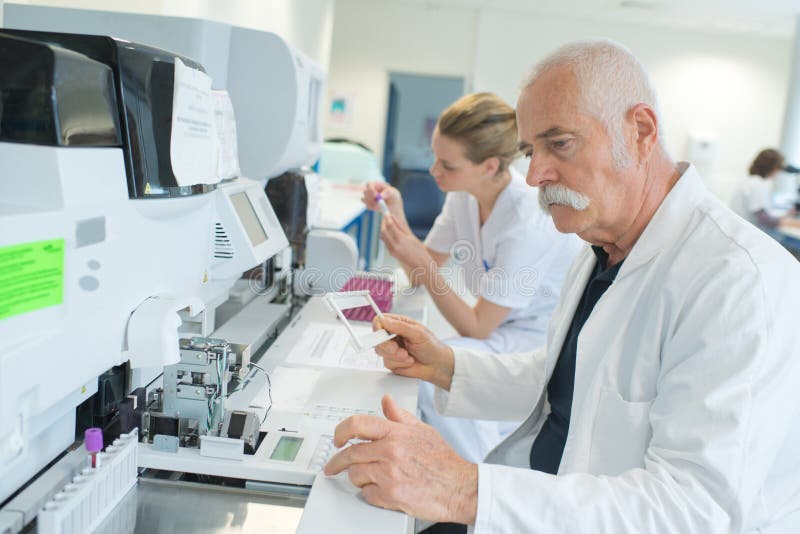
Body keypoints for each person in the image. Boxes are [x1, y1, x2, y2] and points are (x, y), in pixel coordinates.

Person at [325, 39, 800, 533]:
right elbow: (567, 380)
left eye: (560, 144)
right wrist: (448, 366)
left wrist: (463, 487)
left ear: (640, 130)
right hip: (539, 500)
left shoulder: (734, 281)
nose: (533, 175)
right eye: (531, 150)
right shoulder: (601, 247)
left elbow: (691, 513)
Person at [361, 92, 582, 462]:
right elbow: (419, 272)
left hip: (533, 341)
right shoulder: (463, 196)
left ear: (489, 165)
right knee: (428, 364)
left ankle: (472, 479)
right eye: (435, 158)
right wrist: (395, 213)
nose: (434, 172)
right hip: (500, 330)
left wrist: (424, 266)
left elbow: (477, 328)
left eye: (447, 165)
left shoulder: (528, 219)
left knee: (440, 370)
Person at [730, 148, 800, 233]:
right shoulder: (757, 184)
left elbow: (763, 212)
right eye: (779, 167)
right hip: (745, 234)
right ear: (773, 167)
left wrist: (786, 215)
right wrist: (792, 223)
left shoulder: (750, 181)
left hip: (739, 230)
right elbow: (764, 219)